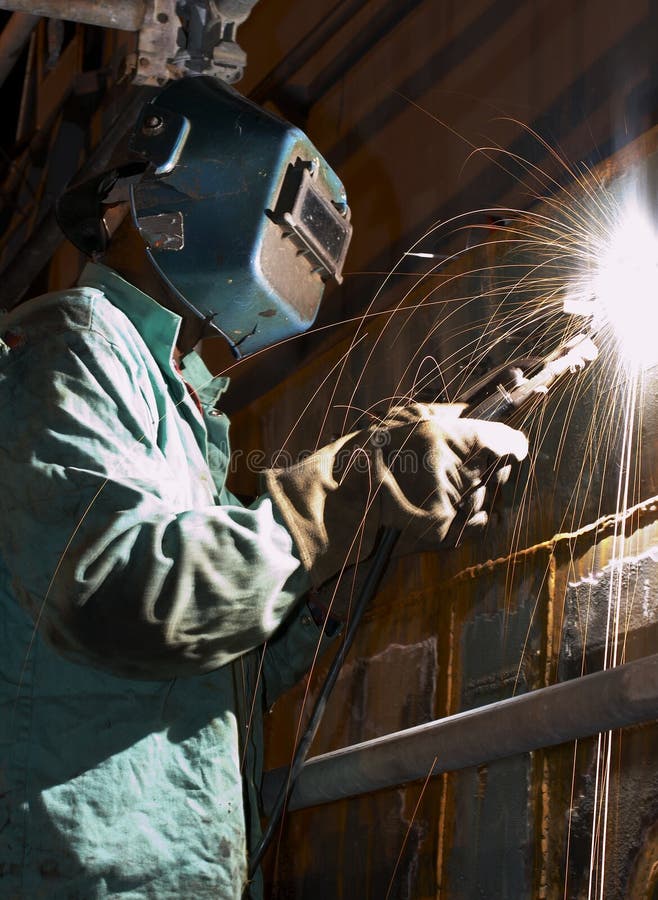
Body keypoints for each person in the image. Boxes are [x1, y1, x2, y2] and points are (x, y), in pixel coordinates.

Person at [0, 77, 527, 899]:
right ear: (160, 205)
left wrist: (339, 569)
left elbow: (212, 670)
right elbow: (115, 593)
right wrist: (340, 495)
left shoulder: (185, 416)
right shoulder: (73, 348)